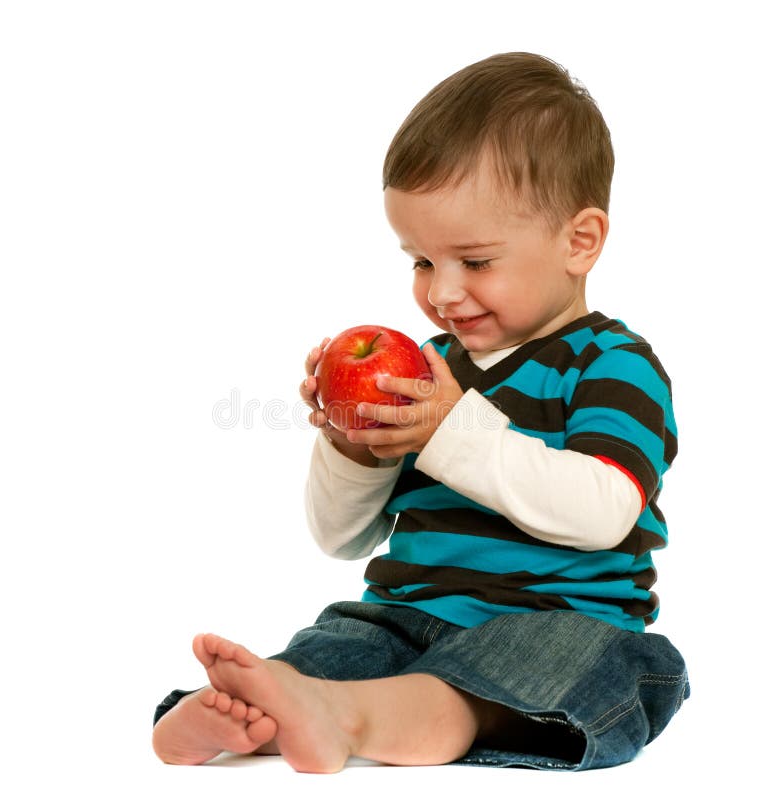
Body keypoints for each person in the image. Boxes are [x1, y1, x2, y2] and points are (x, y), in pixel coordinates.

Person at [151, 51, 689, 773]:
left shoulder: (612, 364)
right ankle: (277, 709)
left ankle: (341, 716)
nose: (441, 293)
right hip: (406, 619)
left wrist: (451, 430)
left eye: (475, 261)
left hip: (557, 626)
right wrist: (352, 448)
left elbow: (603, 512)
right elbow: (342, 540)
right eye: (421, 261)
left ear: (579, 241)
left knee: (514, 674)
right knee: (341, 646)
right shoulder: (428, 371)